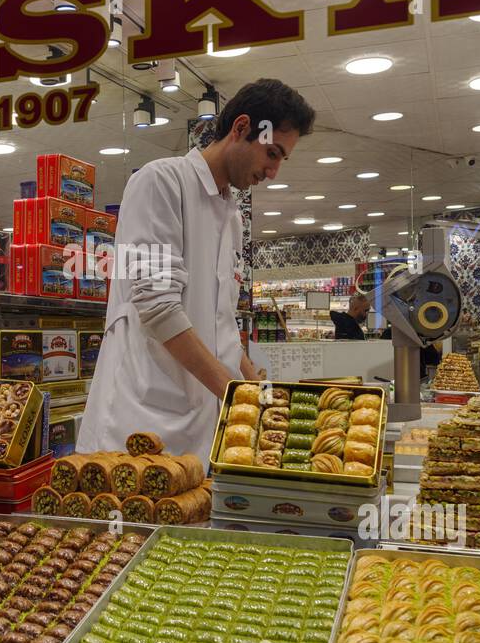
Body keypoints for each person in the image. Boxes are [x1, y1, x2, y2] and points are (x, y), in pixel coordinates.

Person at [77, 79, 316, 463]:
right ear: (241, 128)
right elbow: (157, 307)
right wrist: (235, 396)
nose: (273, 171)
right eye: (271, 153)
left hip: (199, 431)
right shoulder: (161, 182)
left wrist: (251, 380)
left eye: (281, 159)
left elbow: (220, 322)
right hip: (137, 424)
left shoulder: (232, 216)